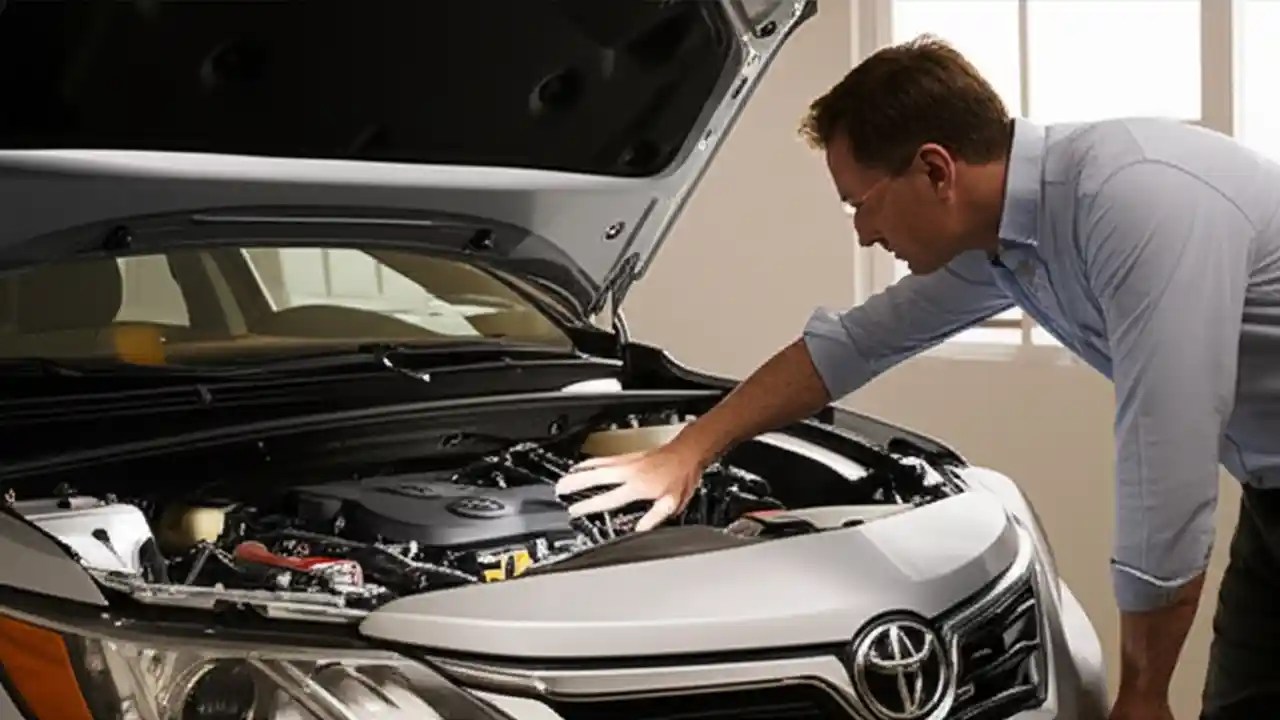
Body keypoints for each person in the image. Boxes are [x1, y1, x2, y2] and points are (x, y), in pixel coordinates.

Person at [554, 33, 1280, 720]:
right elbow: (852, 347)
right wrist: (688, 452)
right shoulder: (1009, 239)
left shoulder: (1134, 202)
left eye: (859, 203)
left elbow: (1168, 462)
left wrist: (1144, 694)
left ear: (935, 170)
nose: (864, 233)